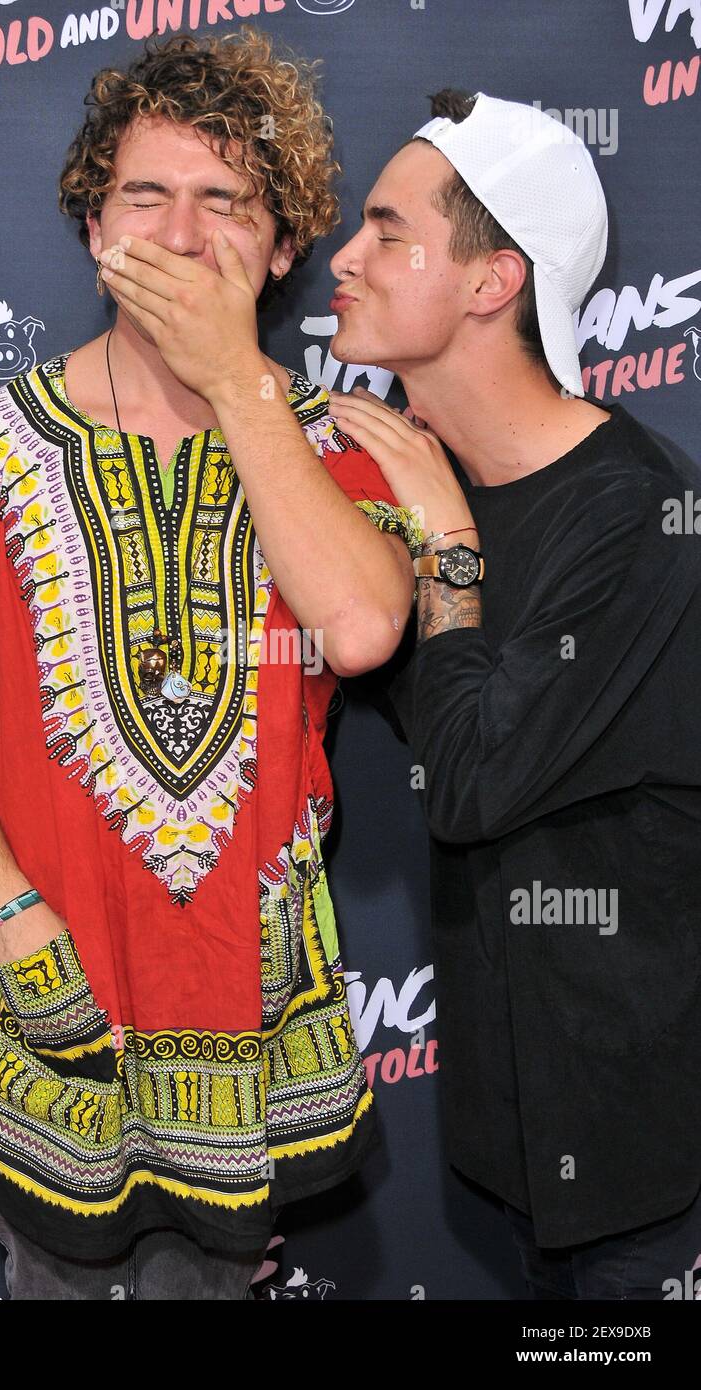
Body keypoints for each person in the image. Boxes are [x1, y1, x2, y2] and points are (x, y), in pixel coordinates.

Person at [0, 29, 421, 1300]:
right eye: (145, 195)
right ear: (91, 224)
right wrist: (9, 911)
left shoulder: (336, 444)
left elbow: (357, 629)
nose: (180, 234)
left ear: (283, 245)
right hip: (58, 1008)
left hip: (248, 1008)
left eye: (224, 201)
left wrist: (235, 378)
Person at [326, 87, 701, 1301]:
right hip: (519, 1153)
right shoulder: (438, 479)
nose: (344, 258)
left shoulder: (639, 515)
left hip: (654, 1171)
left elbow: (471, 779)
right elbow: (413, 697)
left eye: (387, 232)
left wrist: (443, 539)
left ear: (491, 281)